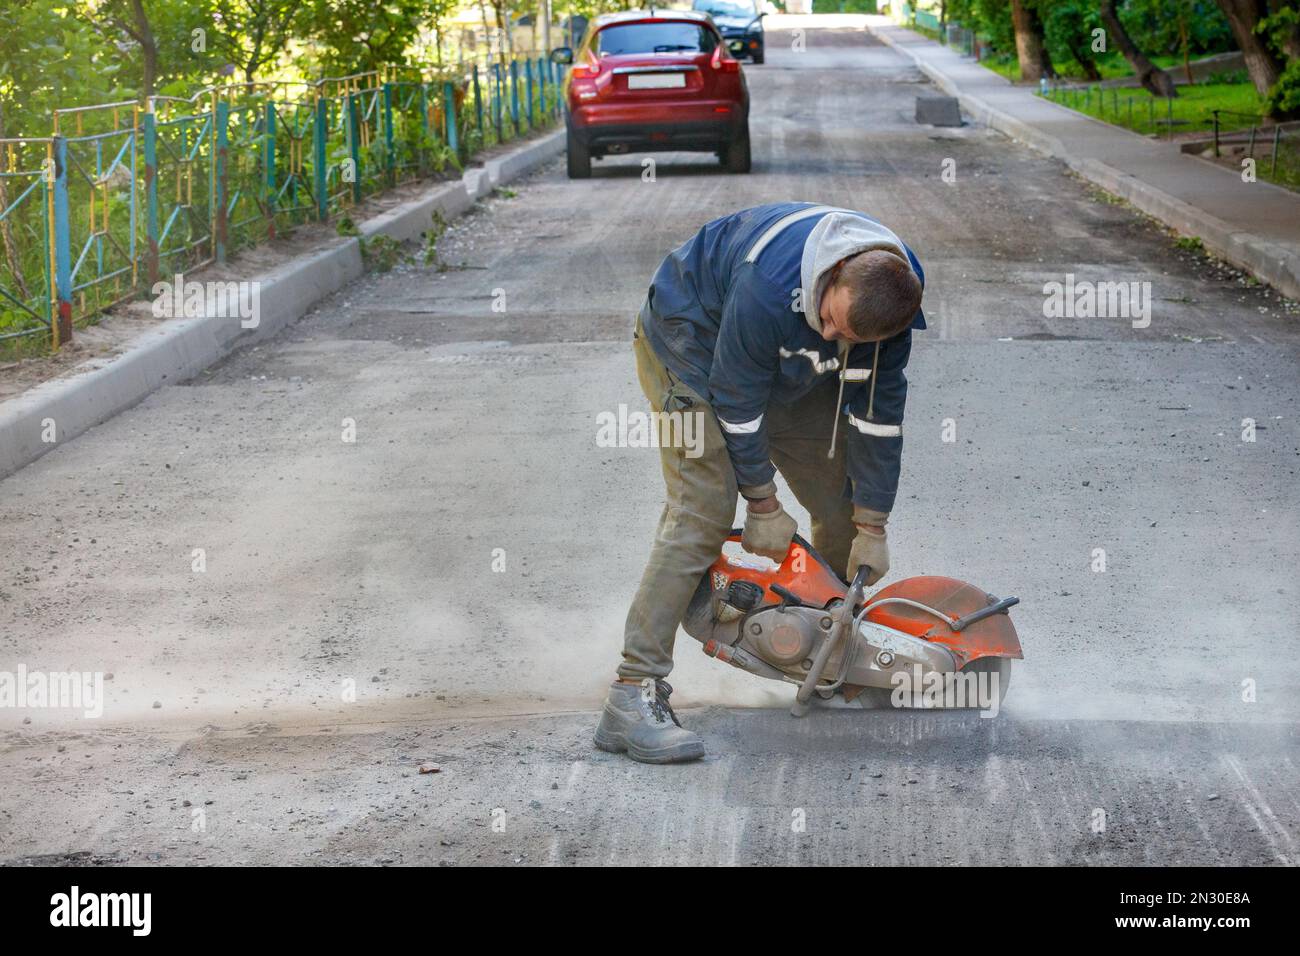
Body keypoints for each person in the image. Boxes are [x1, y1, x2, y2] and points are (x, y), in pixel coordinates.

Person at [593, 202, 926, 764]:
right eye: (828, 317)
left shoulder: (892, 293)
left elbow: (877, 414)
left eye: (842, 333)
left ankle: (824, 656)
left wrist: (873, 522)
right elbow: (736, 398)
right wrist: (763, 504)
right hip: (690, 347)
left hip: (785, 364)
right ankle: (632, 693)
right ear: (832, 275)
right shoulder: (768, 283)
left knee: (839, 504)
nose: (827, 331)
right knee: (703, 511)